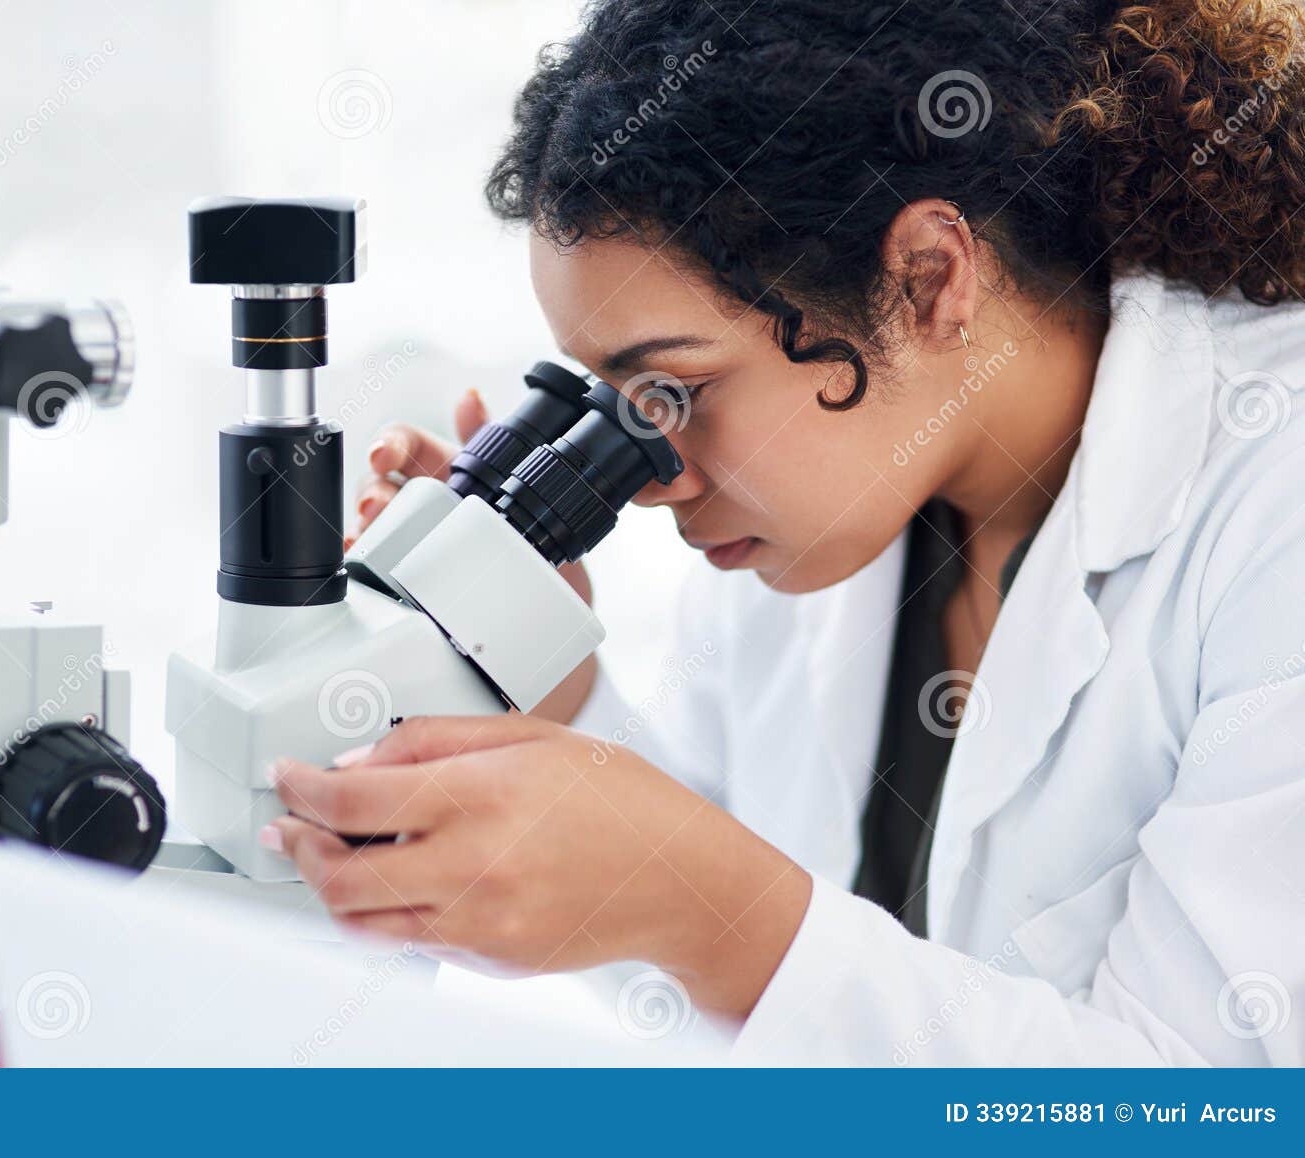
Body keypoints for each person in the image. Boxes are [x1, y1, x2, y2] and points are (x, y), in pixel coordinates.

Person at [261, 0, 1305, 1063]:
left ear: (928, 280)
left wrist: (712, 912)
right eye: (609, 397)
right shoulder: (834, 503)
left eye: (674, 388)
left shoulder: (1277, 500)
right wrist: (548, 682)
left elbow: (1220, 1108)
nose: (646, 482)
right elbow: (722, 981)